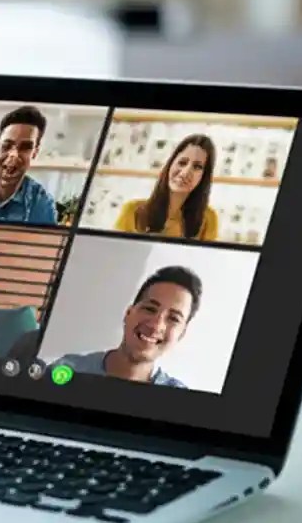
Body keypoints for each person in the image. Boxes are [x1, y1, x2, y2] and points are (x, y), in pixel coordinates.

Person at [52, 266, 201, 388]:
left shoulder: (178, 399)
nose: (156, 325)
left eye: (173, 319)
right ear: (128, 313)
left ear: (181, 334)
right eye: (150, 309)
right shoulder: (68, 370)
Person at [114, 133, 219, 241]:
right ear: (170, 164)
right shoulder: (132, 211)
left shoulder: (208, 219)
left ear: (204, 176)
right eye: (182, 162)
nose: (185, 173)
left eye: (197, 167)